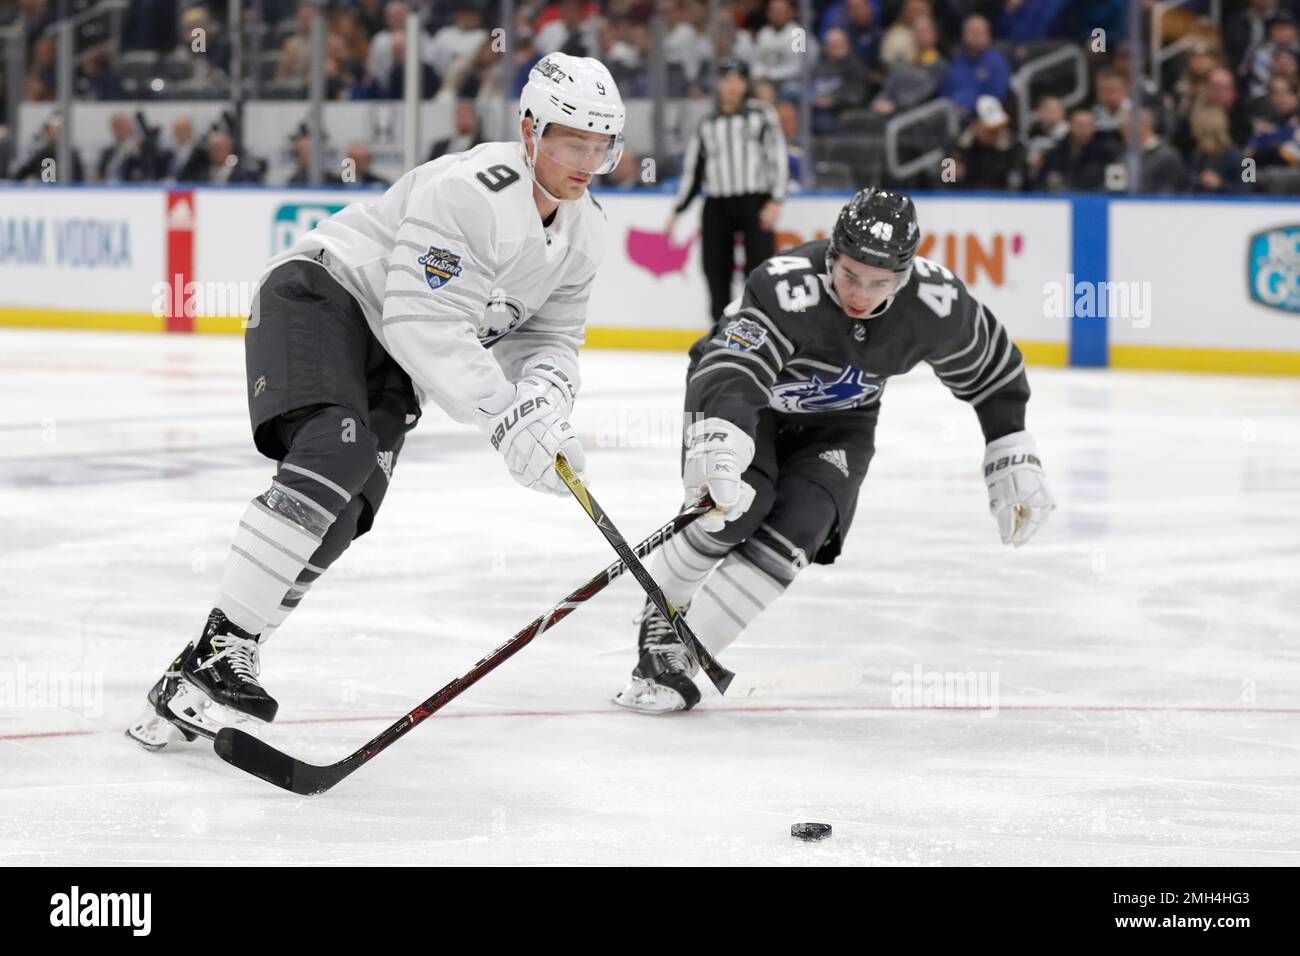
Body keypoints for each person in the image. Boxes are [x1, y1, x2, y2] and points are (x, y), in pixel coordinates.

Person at [127, 53, 626, 750]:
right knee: (337, 448)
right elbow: (419, 321)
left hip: (394, 357)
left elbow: (551, 339)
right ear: (529, 129)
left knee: (345, 512)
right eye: (575, 140)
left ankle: (195, 673)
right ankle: (224, 646)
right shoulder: (472, 192)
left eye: (603, 145)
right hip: (323, 297)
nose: (588, 159)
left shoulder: (587, 232)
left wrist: (542, 406)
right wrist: (503, 416)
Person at [614, 188, 1055, 713]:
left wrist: (1008, 440)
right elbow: (734, 366)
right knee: (735, 508)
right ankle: (665, 609)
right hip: (747, 407)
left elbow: (993, 369)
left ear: (906, 274)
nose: (861, 295)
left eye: (881, 282)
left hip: (842, 423)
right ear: (831, 256)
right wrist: (723, 429)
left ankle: (686, 651)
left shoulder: (937, 305)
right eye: (850, 275)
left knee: (805, 523)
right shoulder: (784, 285)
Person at [670, 58, 787, 322]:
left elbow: (776, 157)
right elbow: (694, 170)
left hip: (754, 201)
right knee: (714, 268)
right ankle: (719, 331)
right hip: (717, 203)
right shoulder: (708, 123)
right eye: (726, 80)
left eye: (737, 80)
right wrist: (678, 209)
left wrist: (776, 200)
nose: (731, 86)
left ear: (746, 84)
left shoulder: (761, 115)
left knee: (759, 269)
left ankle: (759, 326)